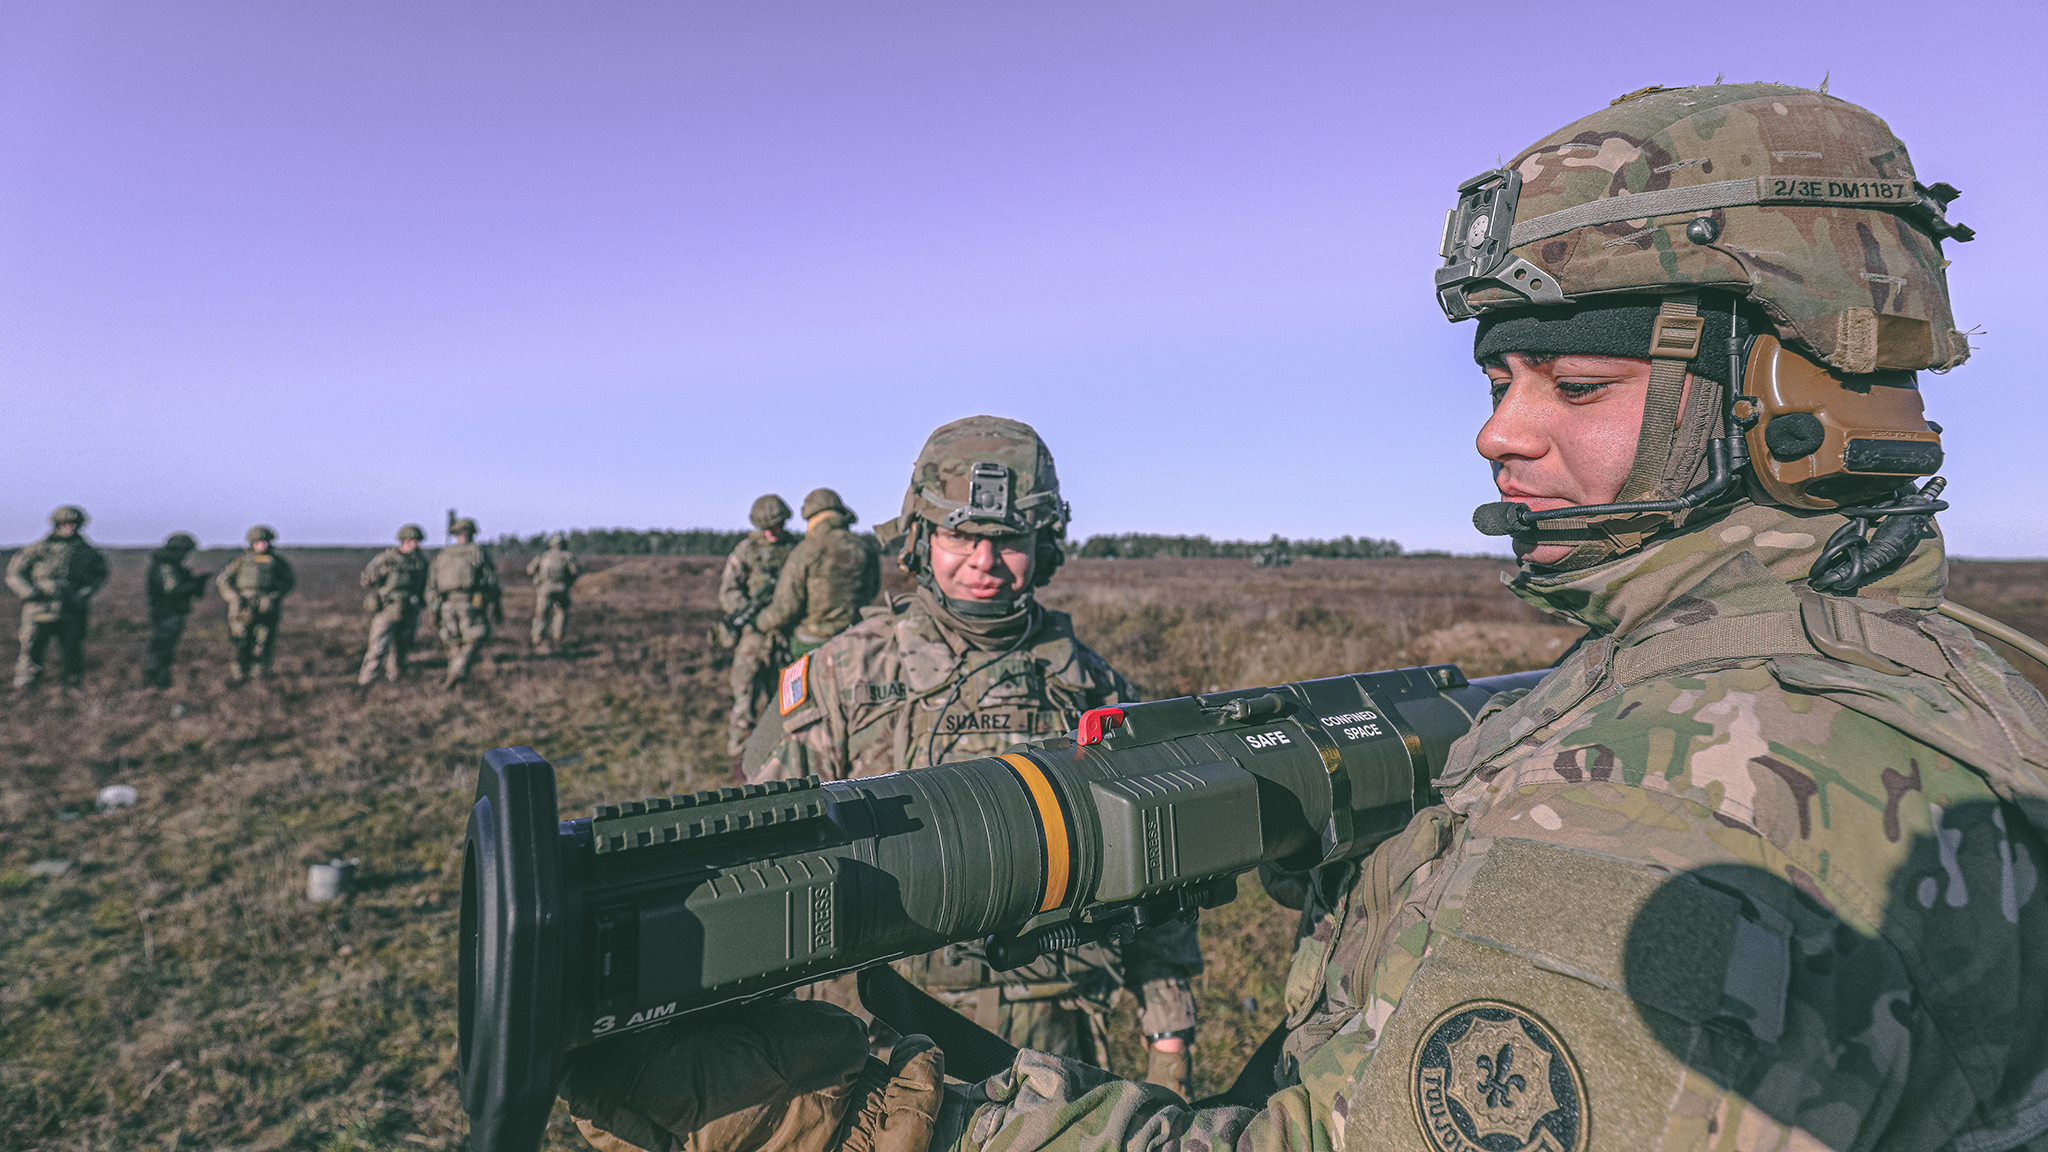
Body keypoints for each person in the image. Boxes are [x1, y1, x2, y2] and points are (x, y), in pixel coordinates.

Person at [563, 86, 2048, 1152]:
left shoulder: (1665, 798)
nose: (1501, 436)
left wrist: (857, 1120)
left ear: (1793, 391)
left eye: (1576, 388)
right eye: (1495, 382)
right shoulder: (1959, 675)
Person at [746, 417, 1204, 1097]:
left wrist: (1168, 1031)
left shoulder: (1096, 691)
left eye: (1009, 539)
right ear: (921, 536)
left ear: (1043, 545)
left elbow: (1156, 873)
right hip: (883, 1046)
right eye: (961, 535)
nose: (983, 562)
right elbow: (765, 868)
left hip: (1058, 1046)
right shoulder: (843, 678)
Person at [756, 487, 881, 660]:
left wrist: (759, 622)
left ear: (812, 518)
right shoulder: (865, 548)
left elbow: (786, 608)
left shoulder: (805, 550)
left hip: (812, 643)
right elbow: (873, 589)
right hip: (857, 637)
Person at [718, 494, 799, 759]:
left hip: (788, 637)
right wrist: (752, 614)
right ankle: (740, 756)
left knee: (789, 699)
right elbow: (729, 592)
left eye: (775, 525)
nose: (770, 532)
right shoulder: (746, 551)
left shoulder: (797, 550)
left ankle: (784, 757)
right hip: (754, 637)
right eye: (764, 526)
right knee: (745, 696)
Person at [7, 505, 109, 691]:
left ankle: (72, 687)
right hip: (39, 608)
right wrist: (29, 592)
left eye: (74, 523)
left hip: (72, 609)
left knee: (72, 650)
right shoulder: (37, 548)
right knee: (31, 649)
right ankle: (26, 687)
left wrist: (84, 593)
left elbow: (100, 575)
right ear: (56, 524)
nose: (70, 527)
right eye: (65, 523)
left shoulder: (87, 552)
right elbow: (14, 573)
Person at [428, 516, 501, 687]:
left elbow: (432, 585)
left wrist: (434, 609)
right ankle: (456, 673)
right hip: (470, 604)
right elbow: (491, 580)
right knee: (475, 637)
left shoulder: (443, 554)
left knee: (454, 642)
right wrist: (493, 601)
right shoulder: (477, 552)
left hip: (446, 604)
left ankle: (456, 681)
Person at [218, 525, 295, 684]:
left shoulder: (277, 562)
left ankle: (260, 675)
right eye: (259, 542)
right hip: (243, 607)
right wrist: (233, 598)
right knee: (241, 640)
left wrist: (274, 597)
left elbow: (288, 582)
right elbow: (223, 581)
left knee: (264, 640)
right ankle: (239, 674)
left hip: (267, 606)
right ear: (252, 543)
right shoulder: (241, 561)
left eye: (265, 542)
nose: (262, 545)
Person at [357, 524, 430, 685]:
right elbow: (367, 579)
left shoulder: (420, 562)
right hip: (388, 609)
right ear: (403, 540)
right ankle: (366, 681)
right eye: (411, 540)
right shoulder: (387, 559)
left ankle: (396, 679)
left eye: (417, 541)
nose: (415, 544)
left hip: (410, 609)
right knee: (378, 647)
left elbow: (426, 584)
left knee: (403, 647)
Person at [143, 532, 210, 688]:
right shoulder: (166, 565)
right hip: (167, 612)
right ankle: (155, 682)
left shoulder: (168, 564)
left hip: (167, 611)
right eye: (185, 551)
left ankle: (159, 681)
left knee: (163, 648)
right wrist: (195, 584)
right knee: (161, 649)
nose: (186, 555)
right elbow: (173, 589)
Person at [526, 532, 581, 654]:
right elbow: (574, 572)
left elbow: (529, 569)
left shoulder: (543, 556)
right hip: (562, 589)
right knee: (560, 614)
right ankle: (558, 637)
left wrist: (538, 577)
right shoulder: (568, 556)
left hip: (545, 589)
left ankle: (537, 639)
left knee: (541, 615)